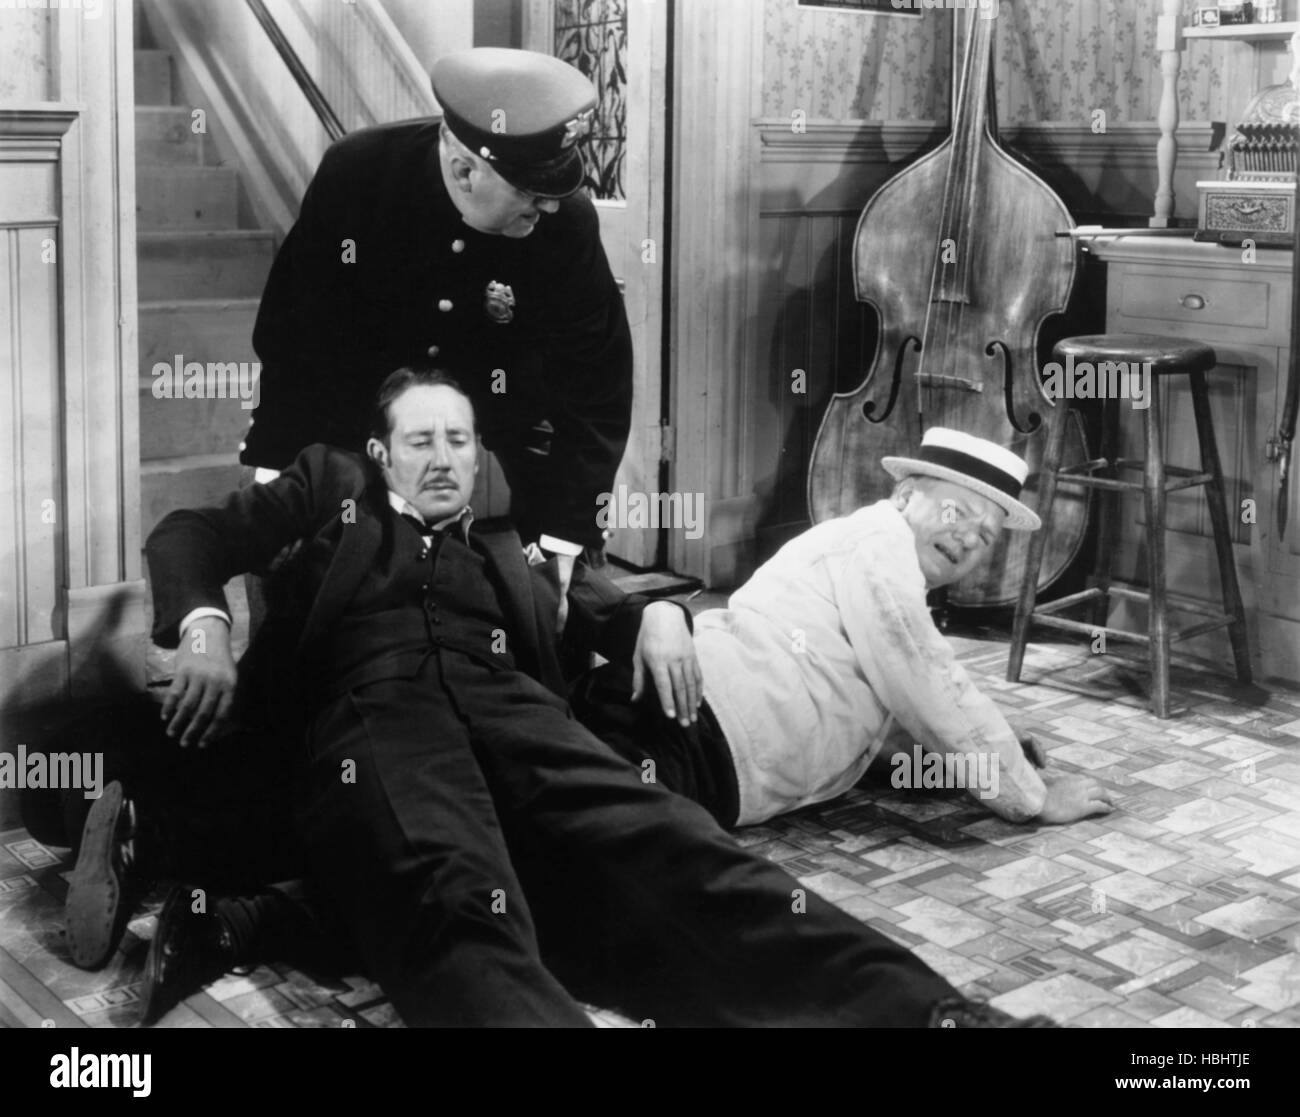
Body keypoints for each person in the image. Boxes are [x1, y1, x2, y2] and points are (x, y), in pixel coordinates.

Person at [137, 368, 1052, 1028]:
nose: (445, 458)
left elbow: (589, 612)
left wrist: (655, 617)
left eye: (459, 438)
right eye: (421, 441)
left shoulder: (509, 537)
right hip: (376, 711)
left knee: (683, 851)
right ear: (381, 453)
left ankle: (934, 1016)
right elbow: (190, 535)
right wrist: (205, 630)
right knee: (453, 898)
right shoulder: (330, 490)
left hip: (516, 708)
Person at [572, 427, 1118, 830]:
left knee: (559, 819)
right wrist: (1030, 797)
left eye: (987, 534)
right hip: (683, 723)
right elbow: (929, 681)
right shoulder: (878, 544)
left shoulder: (878, 566)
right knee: (574, 843)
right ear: (904, 496)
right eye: (958, 512)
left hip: (700, 739)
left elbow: (885, 724)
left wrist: (988, 756)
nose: (970, 538)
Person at [242, 47, 633, 608]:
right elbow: (291, 332)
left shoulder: (565, 219)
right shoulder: (360, 175)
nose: (546, 208)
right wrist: (277, 464)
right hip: (359, 424)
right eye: (528, 191)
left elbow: (599, 381)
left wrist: (567, 533)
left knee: (559, 597)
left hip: (506, 428)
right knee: (307, 593)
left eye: (554, 191)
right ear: (463, 171)